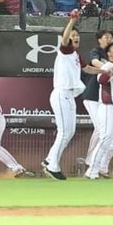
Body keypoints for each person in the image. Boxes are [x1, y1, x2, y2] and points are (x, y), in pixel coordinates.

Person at [42, 11, 86, 180]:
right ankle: (53, 165)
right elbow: (65, 37)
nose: (76, 37)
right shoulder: (65, 50)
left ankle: (49, 160)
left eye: (78, 36)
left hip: (69, 96)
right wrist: (72, 21)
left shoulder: (75, 55)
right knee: (64, 131)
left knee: (70, 131)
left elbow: (87, 68)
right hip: (61, 93)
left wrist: (105, 70)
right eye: (73, 35)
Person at [84, 42, 113, 180]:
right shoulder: (106, 65)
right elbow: (101, 80)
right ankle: (91, 170)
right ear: (109, 54)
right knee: (105, 138)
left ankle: (103, 166)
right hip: (107, 107)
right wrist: (111, 70)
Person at [80, 29, 113, 173]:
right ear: (99, 40)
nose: (109, 39)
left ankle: (92, 161)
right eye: (106, 37)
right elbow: (94, 62)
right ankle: (91, 161)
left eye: (111, 37)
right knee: (102, 129)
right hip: (91, 96)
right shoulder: (97, 51)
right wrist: (107, 68)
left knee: (102, 130)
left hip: (104, 99)